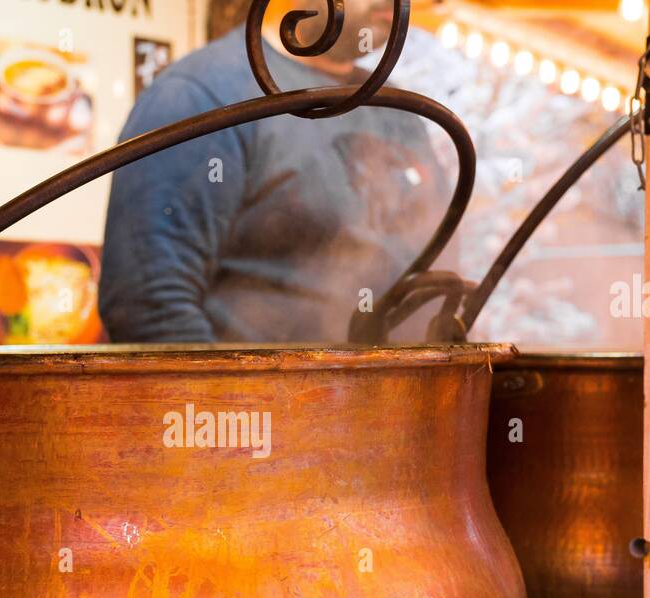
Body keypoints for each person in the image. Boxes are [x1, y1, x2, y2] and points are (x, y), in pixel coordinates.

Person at [98, 0, 453, 344]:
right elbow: (147, 303)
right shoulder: (200, 95)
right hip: (267, 401)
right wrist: (239, 404)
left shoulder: (400, 110)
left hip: (403, 395)